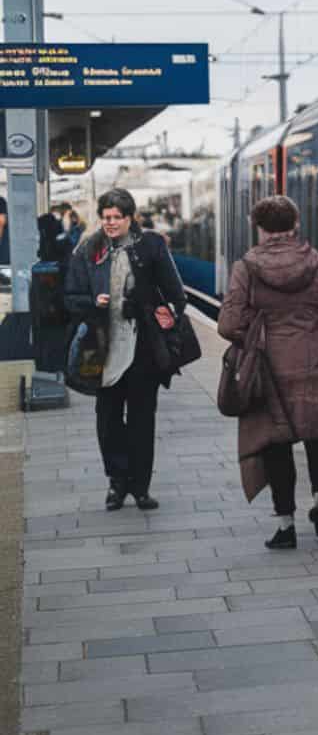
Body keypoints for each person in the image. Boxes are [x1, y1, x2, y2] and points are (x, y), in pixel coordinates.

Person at [217, 195, 318, 550]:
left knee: (276, 442)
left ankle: (285, 525)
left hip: (269, 370)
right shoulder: (317, 264)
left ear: (259, 228)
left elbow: (228, 324)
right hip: (314, 363)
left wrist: (257, 328)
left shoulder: (246, 266)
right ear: (295, 225)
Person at [63, 188, 189, 511]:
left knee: (142, 419)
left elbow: (176, 293)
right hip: (100, 347)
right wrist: (94, 302)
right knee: (107, 419)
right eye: (105, 217)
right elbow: (70, 298)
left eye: (117, 217)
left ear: (130, 218)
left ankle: (140, 486)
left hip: (144, 347)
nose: (110, 222)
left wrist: (163, 310)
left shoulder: (151, 246)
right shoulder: (87, 250)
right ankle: (116, 482)